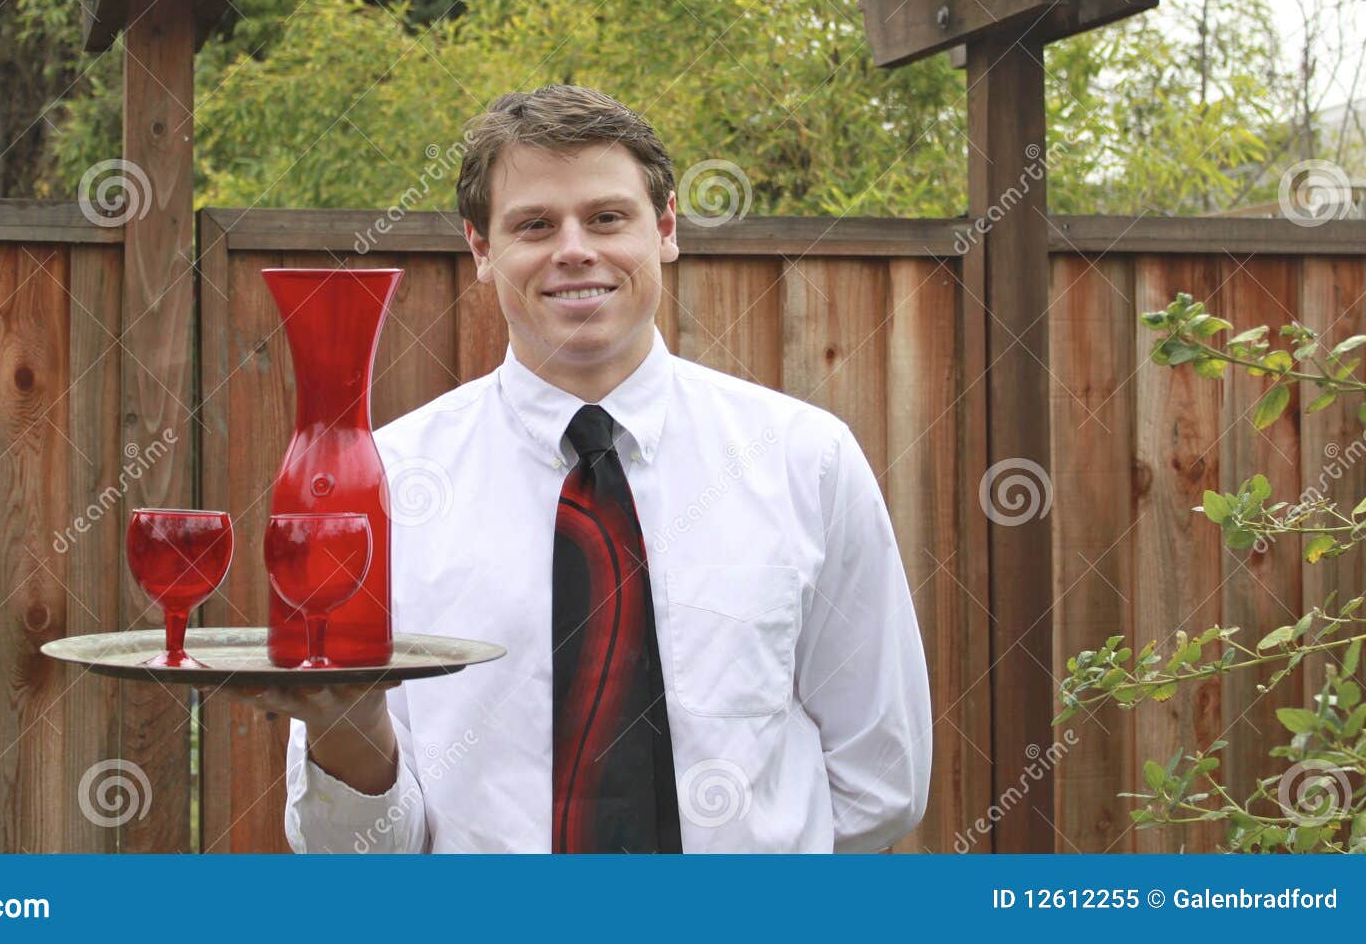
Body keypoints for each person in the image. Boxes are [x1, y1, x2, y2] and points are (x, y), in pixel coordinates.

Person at [232, 84, 932, 853]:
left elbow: (881, 780)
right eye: (534, 224)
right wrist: (348, 724)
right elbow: (356, 853)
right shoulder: (386, 486)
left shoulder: (808, 460)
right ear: (480, 248)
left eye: (607, 217)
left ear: (664, 228)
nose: (574, 248)